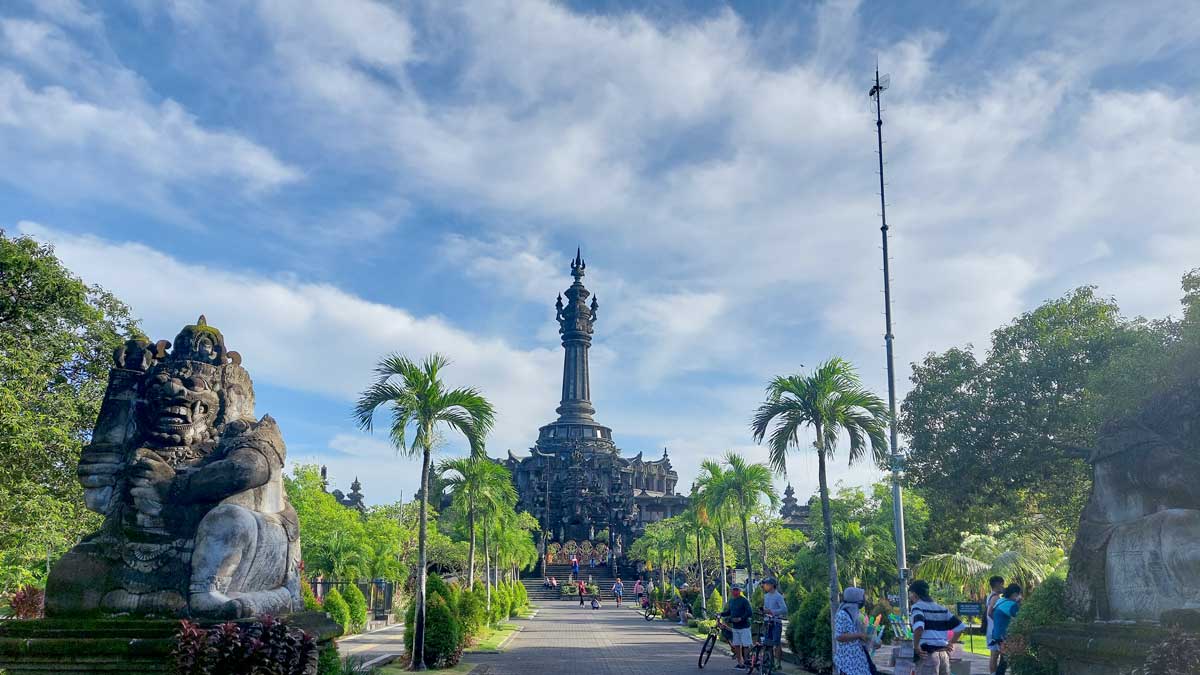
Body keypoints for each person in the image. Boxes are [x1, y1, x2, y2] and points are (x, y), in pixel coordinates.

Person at [909, 580, 966, 675]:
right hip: (943, 656)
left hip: (928, 656)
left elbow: (919, 628)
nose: (910, 596)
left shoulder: (917, 607)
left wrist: (916, 647)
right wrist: (951, 642)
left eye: (910, 594)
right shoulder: (941, 609)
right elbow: (960, 627)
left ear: (915, 594)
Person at [834, 587, 878, 675]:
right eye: (862, 597)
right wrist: (859, 635)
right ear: (855, 598)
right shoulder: (842, 614)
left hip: (859, 660)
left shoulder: (858, 615)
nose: (863, 600)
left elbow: (863, 635)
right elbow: (839, 636)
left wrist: (874, 642)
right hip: (848, 661)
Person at [990, 584, 1022, 675]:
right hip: (1004, 636)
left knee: (1004, 660)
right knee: (1005, 661)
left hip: (997, 634)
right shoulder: (1011, 604)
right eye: (1019, 594)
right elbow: (1020, 617)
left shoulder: (1000, 601)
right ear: (1015, 594)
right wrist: (1019, 603)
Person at [720, 584, 753, 670]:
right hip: (735, 627)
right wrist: (721, 614)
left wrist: (741, 618)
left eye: (736, 590)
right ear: (731, 591)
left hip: (744, 626)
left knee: (746, 645)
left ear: (740, 591)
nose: (734, 592)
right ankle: (740, 663)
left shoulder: (744, 601)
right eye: (733, 590)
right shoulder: (731, 601)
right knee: (737, 645)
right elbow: (729, 612)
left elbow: (749, 612)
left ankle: (746, 662)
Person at [760, 577, 788, 666]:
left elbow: (784, 609)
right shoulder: (766, 596)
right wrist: (764, 611)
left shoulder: (778, 596)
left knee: (776, 642)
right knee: (767, 642)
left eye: (767, 584)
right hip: (767, 621)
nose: (765, 586)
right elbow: (766, 608)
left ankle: (778, 663)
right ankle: (769, 662)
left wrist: (772, 612)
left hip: (776, 621)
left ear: (772, 585)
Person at [983, 575, 1005, 674]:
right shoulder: (995, 597)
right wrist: (998, 622)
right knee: (996, 655)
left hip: (991, 629)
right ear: (998, 585)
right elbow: (990, 612)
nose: (1003, 587)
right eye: (1002, 585)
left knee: (994, 655)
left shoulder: (990, 596)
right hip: (994, 630)